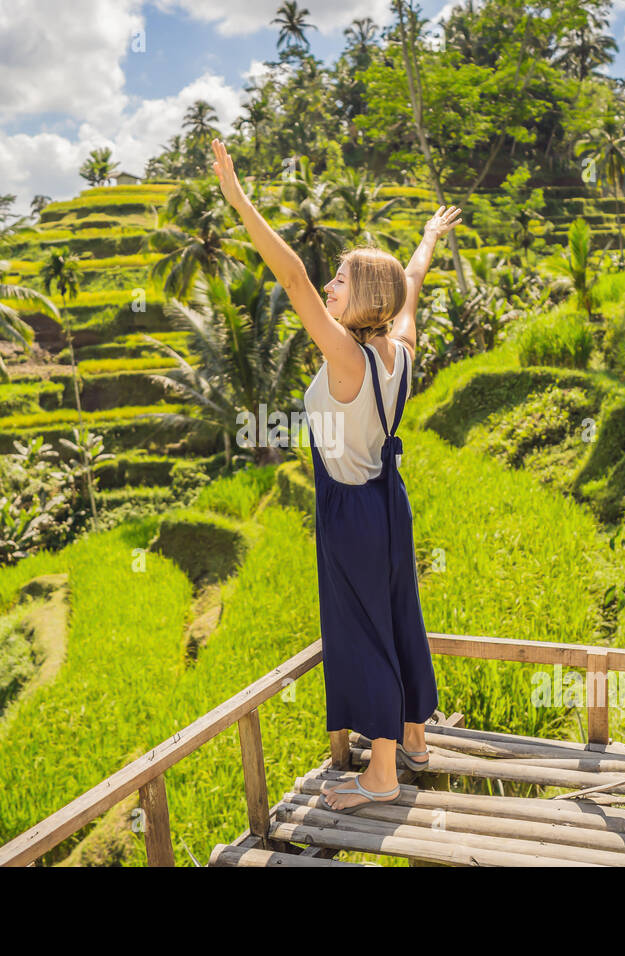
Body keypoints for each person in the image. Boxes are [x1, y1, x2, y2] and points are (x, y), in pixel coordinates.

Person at [210, 139, 462, 812]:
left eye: (341, 280)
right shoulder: (400, 348)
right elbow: (413, 276)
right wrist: (428, 237)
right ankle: (414, 738)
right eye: (332, 281)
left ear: (363, 299)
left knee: (365, 628)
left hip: (350, 508)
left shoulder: (347, 357)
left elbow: (291, 276)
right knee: (398, 612)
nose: (328, 286)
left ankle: (380, 775)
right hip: (387, 497)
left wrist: (239, 200)